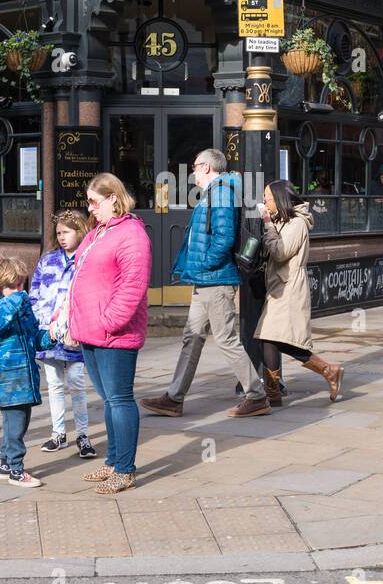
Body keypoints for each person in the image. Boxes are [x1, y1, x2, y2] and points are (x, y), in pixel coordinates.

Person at [139, 148, 264, 418]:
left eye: (195, 166)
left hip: (216, 279)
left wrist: (205, 264)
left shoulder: (220, 192)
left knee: (226, 339)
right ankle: (174, 397)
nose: (193, 172)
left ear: (206, 167)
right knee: (192, 338)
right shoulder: (214, 192)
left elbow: (224, 238)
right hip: (205, 280)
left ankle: (256, 395)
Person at [66, 173, 152, 494]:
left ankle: (125, 470)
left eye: (94, 201)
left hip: (114, 334)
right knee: (108, 400)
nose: (90, 208)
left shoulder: (131, 235)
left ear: (113, 198)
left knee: (120, 399)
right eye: (88, 201)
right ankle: (113, 462)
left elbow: (132, 286)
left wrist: (109, 321)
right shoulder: (98, 232)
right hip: (90, 331)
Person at [230, 180, 344, 417]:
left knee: (275, 337)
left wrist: (268, 225)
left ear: (280, 199)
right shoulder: (284, 221)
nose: (265, 202)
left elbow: (281, 252)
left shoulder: (297, 223)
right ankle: (277, 392)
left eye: (268, 198)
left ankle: (325, 371)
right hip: (279, 287)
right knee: (272, 338)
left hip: (290, 288)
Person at [0, 256, 55, 488]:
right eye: (13, 286)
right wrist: (19, 298)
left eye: (22, 285)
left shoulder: (20, 305)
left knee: (18, 421)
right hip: (7, 376)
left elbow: (34, 336)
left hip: (25, 375)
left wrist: (51, 336)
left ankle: (5, 463)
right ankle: (16, 470)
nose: (20, 290)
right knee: (16, 423)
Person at [29, 210, 96, 459]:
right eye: (58, 233)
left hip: (74, 334)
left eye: (66, 232)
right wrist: (38, 320)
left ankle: (83, 435)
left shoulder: (86, 260)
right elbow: (35, 290)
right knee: (54, 385)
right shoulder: (48, 260)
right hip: (48, 333)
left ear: (79, 231)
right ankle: (58, 433)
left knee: (77, 384)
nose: (61, 237)